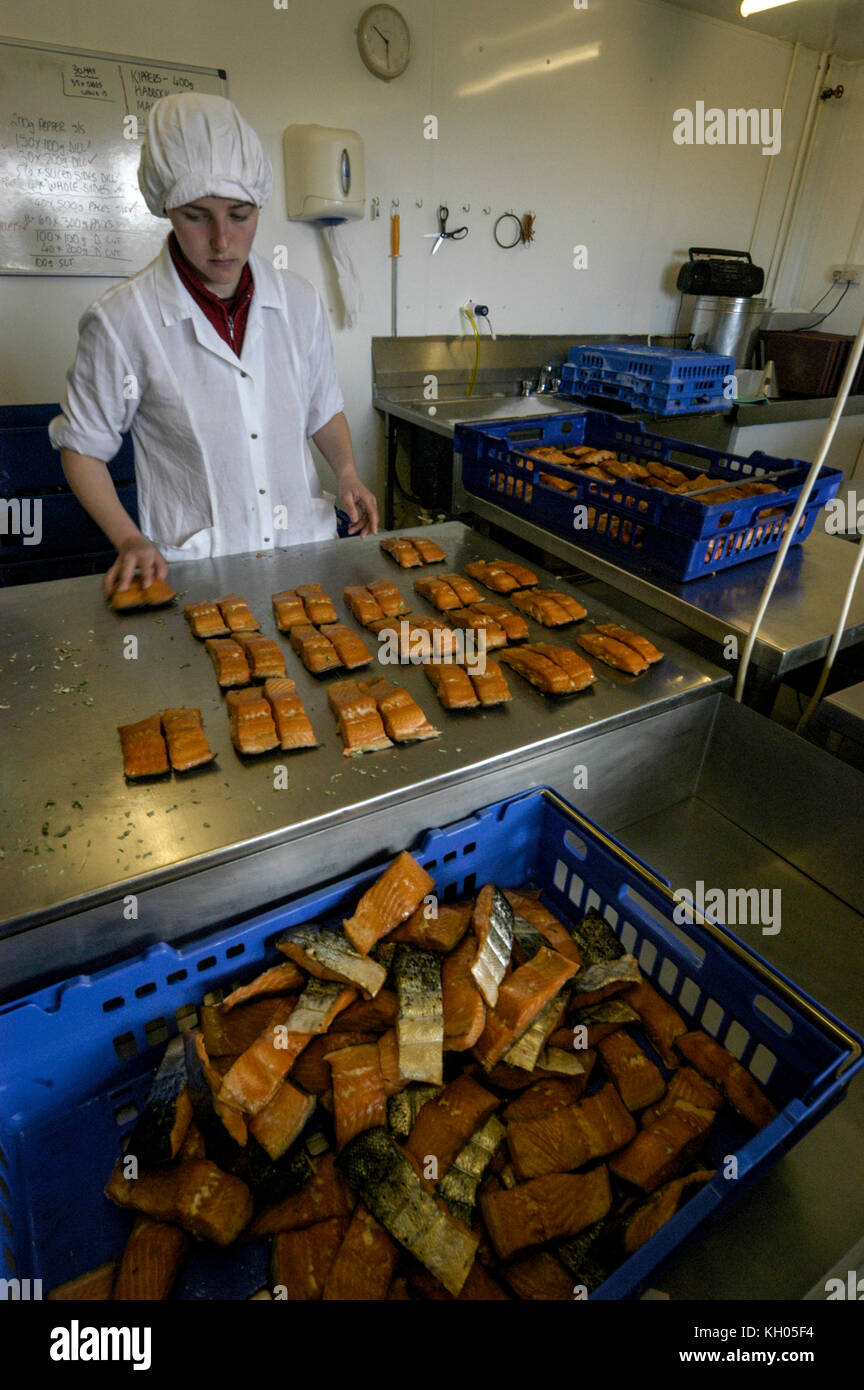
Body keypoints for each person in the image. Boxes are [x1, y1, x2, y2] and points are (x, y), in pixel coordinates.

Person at [49, 93, 378, 594]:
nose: (222, 241)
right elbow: (83, 447)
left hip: (304, 560)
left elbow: (322, 406)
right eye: (198, 216)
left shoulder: (299, 303)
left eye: (240, 215)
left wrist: (349, 472)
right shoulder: (121, 322)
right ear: (167, 209)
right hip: (199, 574)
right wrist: (129, 539)